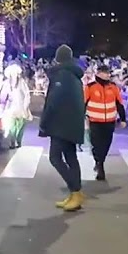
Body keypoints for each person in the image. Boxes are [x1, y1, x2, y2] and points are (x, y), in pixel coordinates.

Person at [39, 44, 86, 211]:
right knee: (71, 157)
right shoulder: (74, 75)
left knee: (55, 158)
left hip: (61, 124)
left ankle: (76, 191)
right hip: (71, 124)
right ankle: (75, 195)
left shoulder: (61, 76)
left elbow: (52, 102)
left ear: (58, 59)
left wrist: (44, 123)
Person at [85, 64, 127, 181]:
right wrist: (80, 118)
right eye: (105, 73)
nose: (108, 75)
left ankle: (100, 162)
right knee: (96, 144)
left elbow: (119, 103)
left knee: (106, 144)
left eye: (109, 73)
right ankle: (99, 164)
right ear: (98, 74)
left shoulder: (113, 87)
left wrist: (123, 119)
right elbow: (83, 104)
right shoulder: (90, 87)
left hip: (109, 121)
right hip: (94, 121)